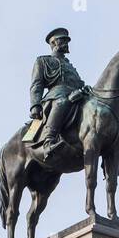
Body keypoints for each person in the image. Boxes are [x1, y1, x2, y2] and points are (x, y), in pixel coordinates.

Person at [29, 27, 89, 162]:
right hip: (56, 96)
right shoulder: (43, 61)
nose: (66, 44)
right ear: (54, 43)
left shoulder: (70, 65)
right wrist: (35, 105)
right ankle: (49, 142)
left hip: (76, 94)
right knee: (62, 101)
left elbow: (78, 83)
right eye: (63, 41)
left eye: (66, 41)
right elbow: (36, 84)